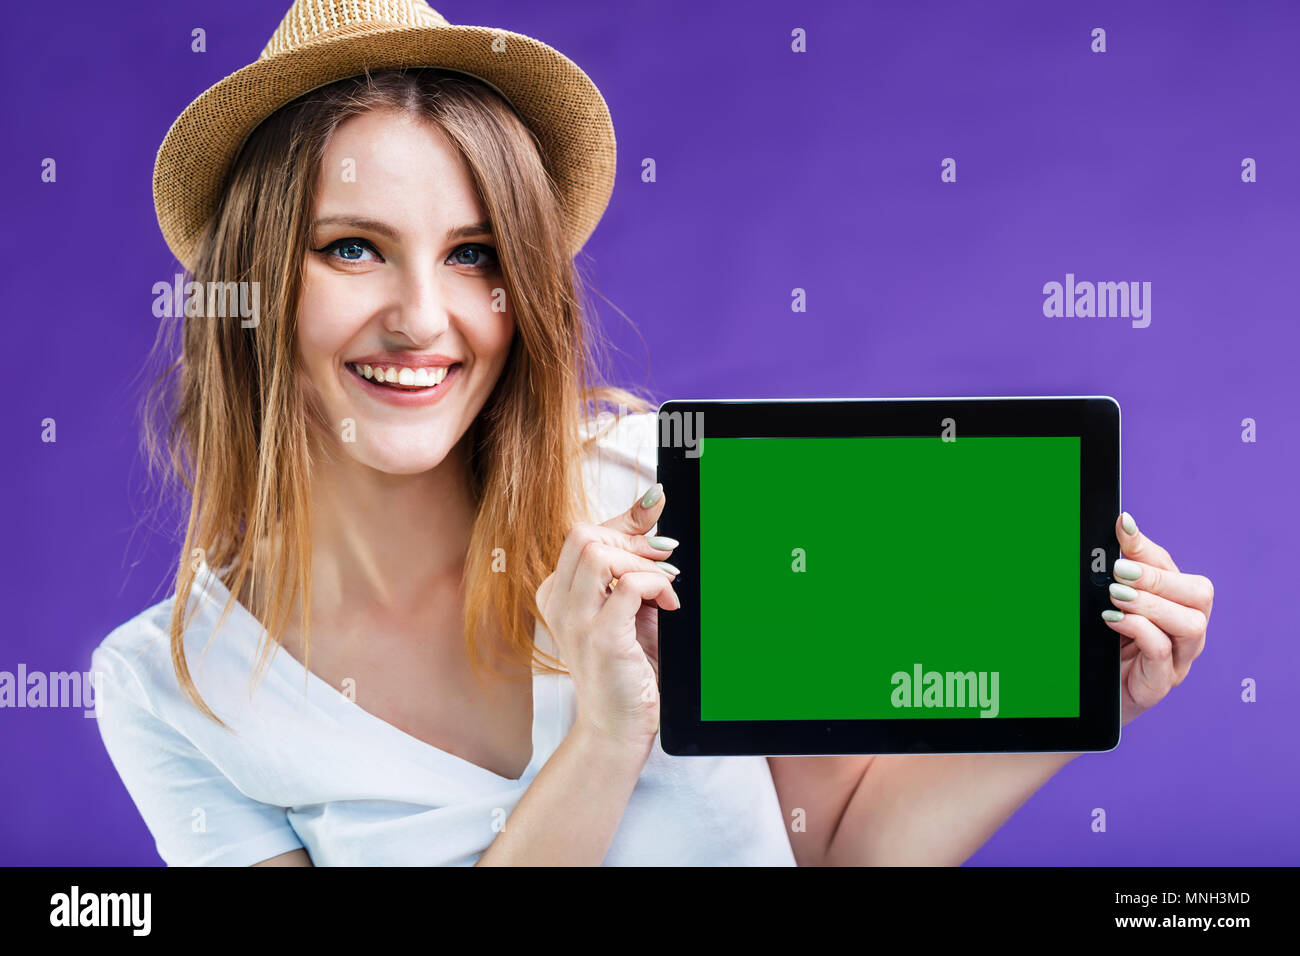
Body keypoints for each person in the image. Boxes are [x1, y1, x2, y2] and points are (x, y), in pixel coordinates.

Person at [92, 0, 1214, 867]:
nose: (423, 319)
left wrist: (1083, 702)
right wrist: (603, 740)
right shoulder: (165, 685)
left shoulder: (653, 489)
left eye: (474, 254)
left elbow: (837, 838)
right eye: (352, 247)